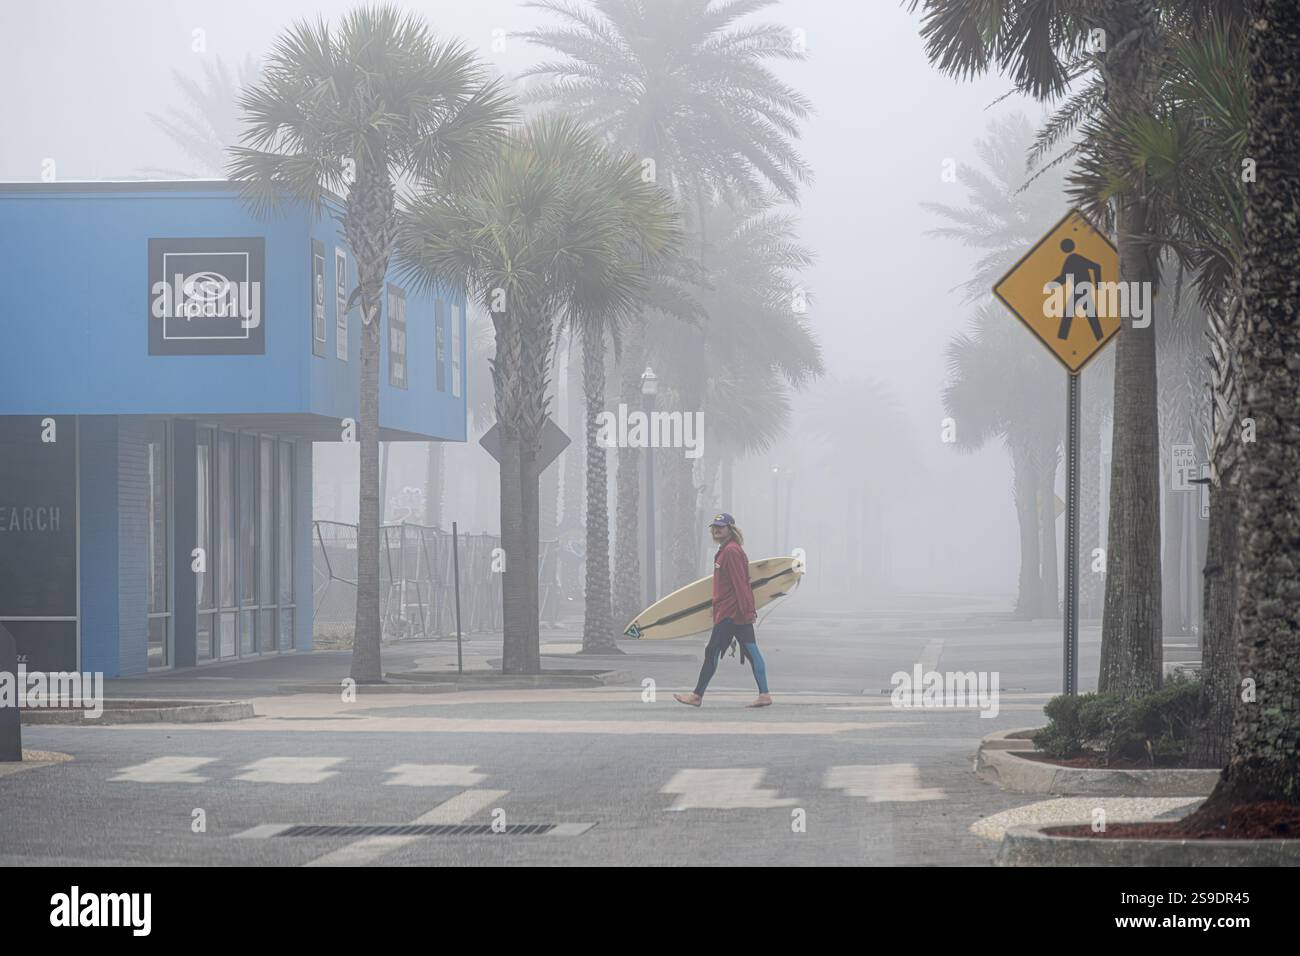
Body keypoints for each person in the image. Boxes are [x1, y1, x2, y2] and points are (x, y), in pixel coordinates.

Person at [674, 513, 771, 708]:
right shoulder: (726, 550)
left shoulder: (732, 552)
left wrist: (747, 611)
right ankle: (764, 694)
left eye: (722, 526)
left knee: (712, 652)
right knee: (751, 652)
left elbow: (741, 584)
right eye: (715, 527)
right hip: (732, 611)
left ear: (731, 529)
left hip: (731, 614)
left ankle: (697, 695)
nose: (717, 530)